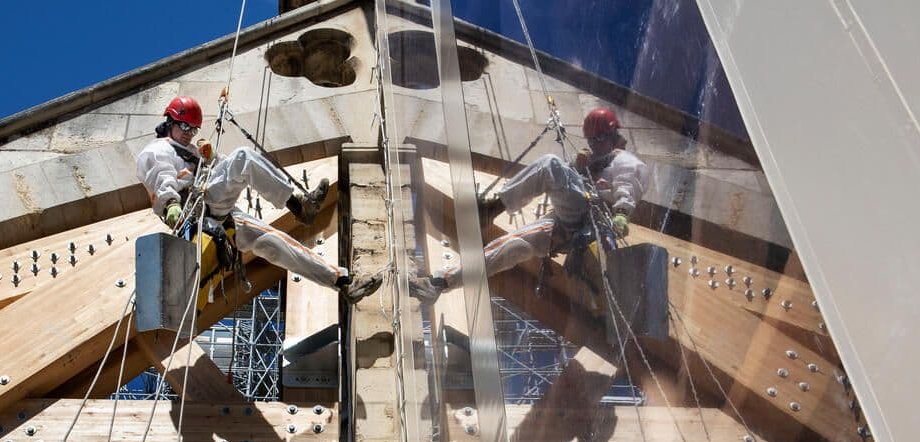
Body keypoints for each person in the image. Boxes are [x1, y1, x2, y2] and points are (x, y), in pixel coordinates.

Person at [136, 96, 383, 304]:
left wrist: (212, 159)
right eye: (184, 127)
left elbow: (222, 172)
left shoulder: (190, 151)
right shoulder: (157, 151)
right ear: (170, 122)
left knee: (274, 242)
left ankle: (341, 282)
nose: (188, 134)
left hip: (221, 217)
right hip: (197, 210)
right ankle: (298, 205)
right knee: (243, 157)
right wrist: (171, 205)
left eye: (193, 129)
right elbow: (162, 179)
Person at [409, 106, 649, 302]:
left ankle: (494, 208)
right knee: (513, 246)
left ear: (610, 135)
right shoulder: (595, 159)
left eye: (598, 139)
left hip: (591, 219)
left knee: (551, 165)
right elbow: (570, 181)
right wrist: (578, 166)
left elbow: (628, 189)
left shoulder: (627, 163)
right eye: (591, 140)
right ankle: (440, 282)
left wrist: (621, 214)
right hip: (563, 225)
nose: (594, 145)